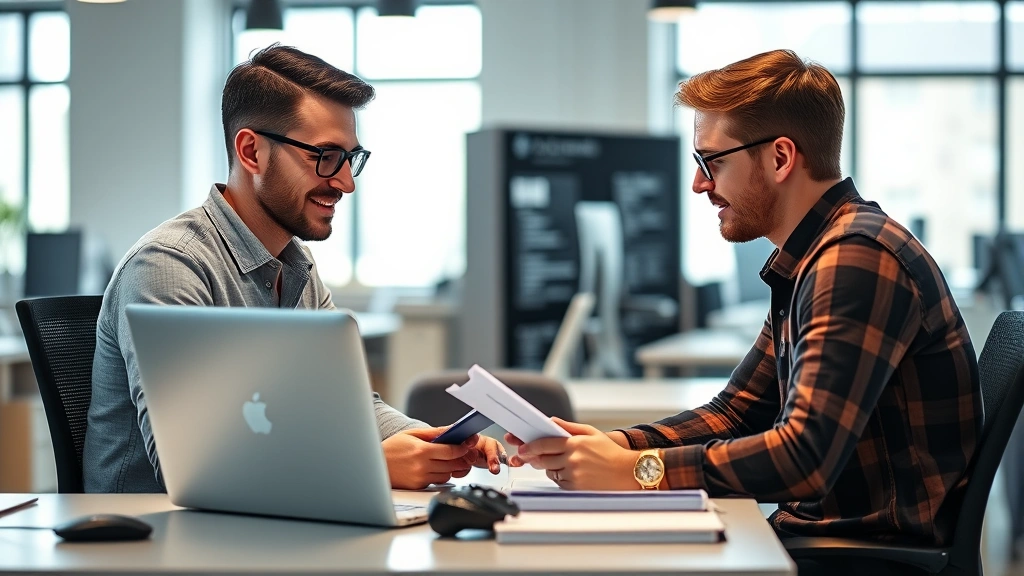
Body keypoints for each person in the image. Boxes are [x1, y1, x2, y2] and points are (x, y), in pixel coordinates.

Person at [509, 49, 982, 551]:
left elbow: (805, 457)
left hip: (861, 557)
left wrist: (639, 470)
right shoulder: (812, 258)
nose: (699, 184)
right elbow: (737, 413)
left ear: (780, 157)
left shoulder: (856, 258)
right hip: (820, 544)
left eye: (710, 160)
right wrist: (613, 446)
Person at [83, 44, 506, 493]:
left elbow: (349, 405)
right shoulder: (169, 267)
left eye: (350, 159)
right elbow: (187, 465)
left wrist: (425, 440)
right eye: (325, 156)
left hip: (263, 527)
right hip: (156, 543)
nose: (345, 182)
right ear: (251, 152)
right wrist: (367, 464)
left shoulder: (296, 266)